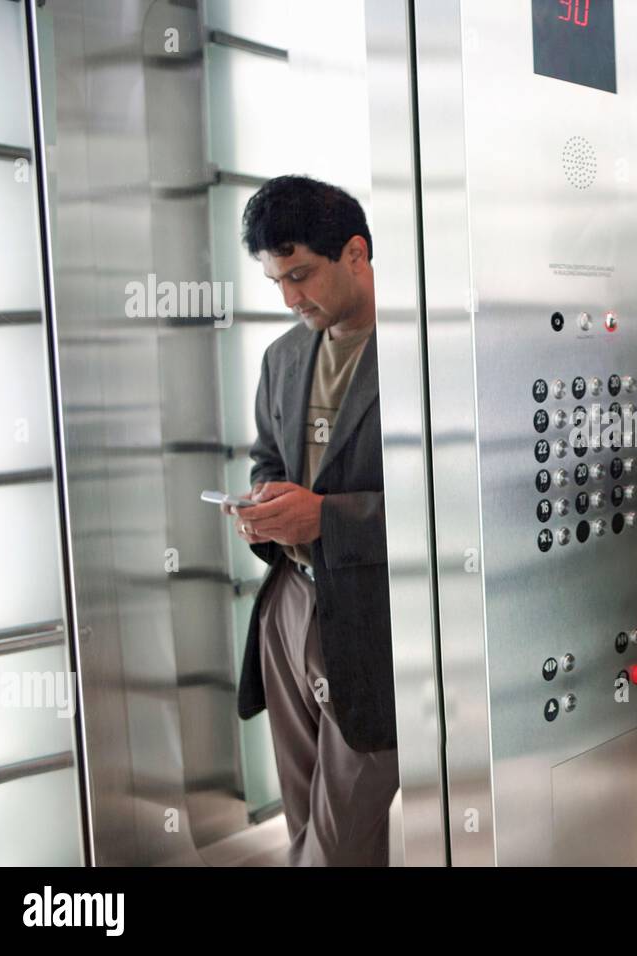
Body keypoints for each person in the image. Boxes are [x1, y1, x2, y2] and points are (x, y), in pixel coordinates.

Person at [225, 175, 399, 865]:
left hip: (375, 620)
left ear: (355, 254)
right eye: (277, 282)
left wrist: (326, 517)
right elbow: (267, 458)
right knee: (305, 831)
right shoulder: (284, 356)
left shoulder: (425, 352)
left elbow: (453, 506)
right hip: (288, 611)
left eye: (301, 275)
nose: (291, 298)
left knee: (336, 844)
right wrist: (263, 506)